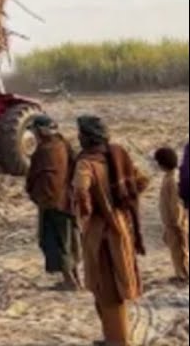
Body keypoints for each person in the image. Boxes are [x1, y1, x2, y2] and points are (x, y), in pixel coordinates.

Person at [71, 115, 149, 346]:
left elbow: (80, 192)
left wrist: (86, 210)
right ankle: (113, 337)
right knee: (115, 286)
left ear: (86, 137)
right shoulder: (118, 155)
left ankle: (118, 340)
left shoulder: (86, 163)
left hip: (100, 233)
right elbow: (142, 181)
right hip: (122, 228)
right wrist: (121, 200)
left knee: (106, 289)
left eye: (80, 134)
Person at [25, 115, 81, 290]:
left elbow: (36, 176)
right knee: (69, 240)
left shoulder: (43, 151)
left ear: (41, 131)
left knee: (55, 241)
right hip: (67, 200)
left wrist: (36, 195)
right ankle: (75, 278)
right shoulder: (63, 143)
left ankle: (70, 281)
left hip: (52, 202)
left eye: (35, 130)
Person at [154, 147, 189, 283]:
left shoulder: (173, 179)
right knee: (175, 250)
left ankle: (185, 274)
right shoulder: (168, 177)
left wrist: (177, 222)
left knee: (181, 250)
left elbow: (176, 203)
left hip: (176, 223)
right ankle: (180, 273)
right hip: (170, 223)